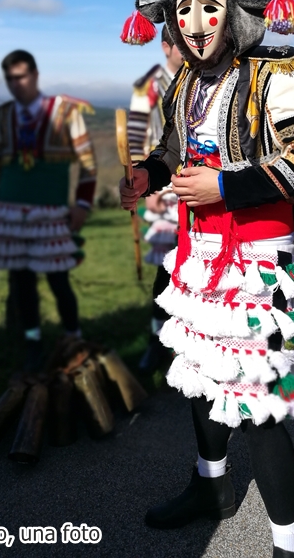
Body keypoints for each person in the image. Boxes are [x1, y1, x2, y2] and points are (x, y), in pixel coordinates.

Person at [120, 0, 294, 558]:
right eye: (183, 11)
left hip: (259, 261)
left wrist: (224, 183)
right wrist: (146, 176)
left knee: (262, 411)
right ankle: (209, 487)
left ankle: (286, 544)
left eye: (207, 8)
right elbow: (169, 152)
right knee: (197, 382)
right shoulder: (183, 82)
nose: (193, 23)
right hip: (196, 258)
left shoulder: (281, 78)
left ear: (234, 12)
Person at [0, 50, 97, 369]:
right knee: (22, 282)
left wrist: (81, 205)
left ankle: (74, 337)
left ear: (36, 75)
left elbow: (88, 165)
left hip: (50, 214)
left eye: (22, 76)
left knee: (58, 279)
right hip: (9, 215)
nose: (16, 84)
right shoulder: (3, 116)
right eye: (10, 79)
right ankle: (32, 342)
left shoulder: (66, 112)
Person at [127, 26, 184, 371]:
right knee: (166, 271)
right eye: (179, 42)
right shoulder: (148, 86)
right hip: (161, 185)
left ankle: (196, 342)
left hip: (200, 183)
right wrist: (144, 187)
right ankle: (157, 342)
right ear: (165, 47)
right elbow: (135, 141)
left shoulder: (200, 78)